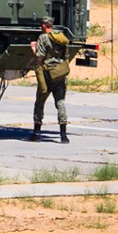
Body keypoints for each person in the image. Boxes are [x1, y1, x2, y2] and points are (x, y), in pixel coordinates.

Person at [30, 15, 71, 143]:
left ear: (43, 25)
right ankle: (63, 136)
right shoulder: (60, 37)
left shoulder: (43, 38)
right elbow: (66, 56)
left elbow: (39, 57)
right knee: (60, 103)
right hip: (59, 74)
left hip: (47, 74)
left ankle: (36, 133)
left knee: (40, 102)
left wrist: (33, 49)